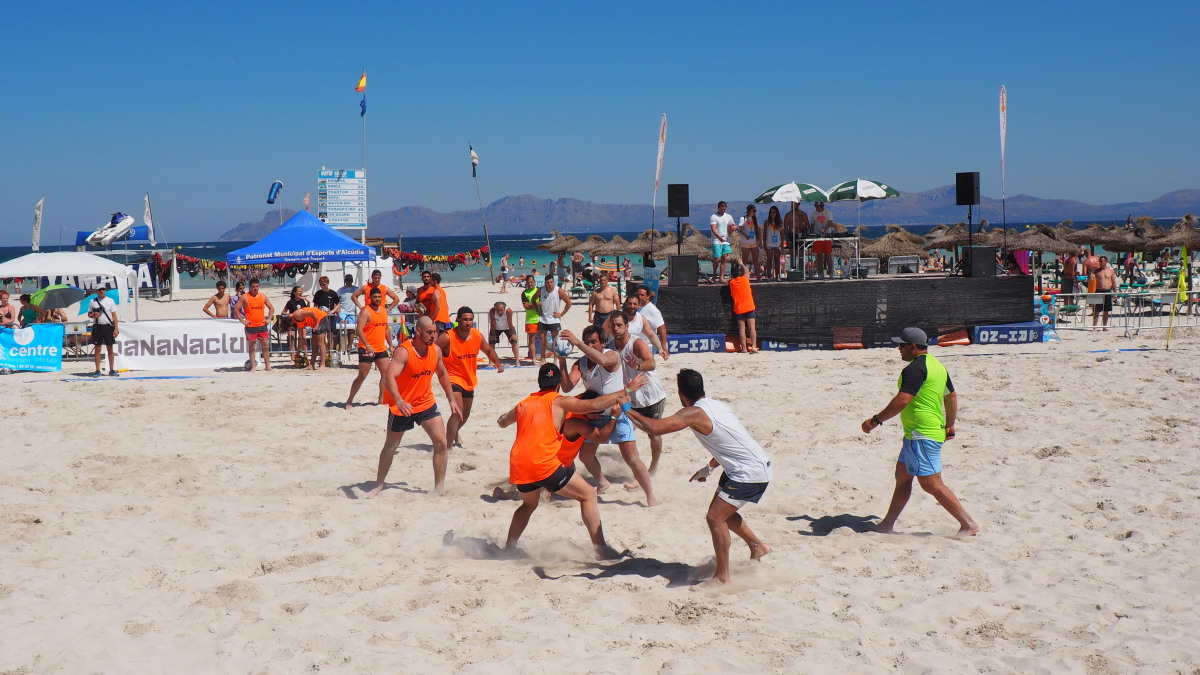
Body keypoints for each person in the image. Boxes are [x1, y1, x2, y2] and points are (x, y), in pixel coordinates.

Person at [627, 368, 772, 586]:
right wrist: (710, 467)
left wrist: (626, 408)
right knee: (726, 513)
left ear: (680, 394)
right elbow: (729, 442)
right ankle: (757, 547)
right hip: (742, 466)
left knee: (715, 518)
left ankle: (722, 577)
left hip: (748, 471)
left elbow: (654, 428)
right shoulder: (718, 405)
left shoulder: (693, 413)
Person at [497, 362, 646, 560]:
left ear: (539, 382)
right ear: (558, 384)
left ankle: (509, 549)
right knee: (588, 495)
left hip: (519, 463)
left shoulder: (524, 403)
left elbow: (503, 422)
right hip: (543, 462)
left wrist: (504, 418)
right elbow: (594, 405)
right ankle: (600, 549)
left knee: (527, 505)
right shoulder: (560, 401)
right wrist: (627, 389)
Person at [861, 327, 979, 538]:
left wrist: (876, 420)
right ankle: (887, 524)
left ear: (913, 347)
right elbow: (950, 396)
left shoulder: (914, 369)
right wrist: (950, 424)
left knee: (931, 484)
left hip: (921, 434)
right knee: (902, 476)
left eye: (901, 345)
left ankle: (968, 524)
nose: (899, 349)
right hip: (919, 433)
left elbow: (903, 399)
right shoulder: (938, 366)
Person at [557, 325, 658, 504]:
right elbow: (566, 387)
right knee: (586, 456)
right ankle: (602, 482)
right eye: (588, 342)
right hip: (595, 414)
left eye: (594, 342)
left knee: (631, 456)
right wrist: (562, 361)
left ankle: (650, 494)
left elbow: (603, 361)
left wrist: (578, 343)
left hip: (618, 411)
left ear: (603, 343)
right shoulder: (580, 363)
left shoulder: (611, 355)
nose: (591, 345)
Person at [366, 316, 461, 497]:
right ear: (418, 331)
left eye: (435, 332)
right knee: (391, 446)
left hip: (425, 403)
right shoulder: (404, 351)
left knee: (441, 442)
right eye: (429, 332)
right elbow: (389, 378)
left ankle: (438, 488)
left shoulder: (436, 350)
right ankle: (378, 484)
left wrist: (451, 399)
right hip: (403, 405)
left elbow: (442, 374)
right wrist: (400, 401)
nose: (433, 336)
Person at [607, 310, 670, 481]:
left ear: (627, 326)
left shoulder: (637, 342)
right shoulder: (610, 346)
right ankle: (638, 470)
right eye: (613, 325)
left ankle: (653, 466)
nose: (616, 328)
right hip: (630, 398)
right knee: (627, 434)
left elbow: (652, 363)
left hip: (651, 395)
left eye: (619, 325)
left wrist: (638, 365)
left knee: (654, 434)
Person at [437, 306, 505, 449]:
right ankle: (447, 448)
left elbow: (488, 349)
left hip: (469, 378)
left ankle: (454, 433)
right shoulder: (447, 337)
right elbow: (431, 351)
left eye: (470, 320)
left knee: (465, 415)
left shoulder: (476, 335)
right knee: (457, 413)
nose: (468, 323)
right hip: (452, 378)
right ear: (458, 320)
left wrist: (498, 363)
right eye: (465, 320)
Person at [346, 287, 394, 407]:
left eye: (379, 297)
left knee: (386, 375)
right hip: (366, 348)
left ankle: (381, 400)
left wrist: (391, 346)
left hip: (381, 348)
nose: (377, 299)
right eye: (375, 297)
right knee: (362, 376)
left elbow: (386, 329)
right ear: (369, 298)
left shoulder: (383, 310)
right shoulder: (365, 311)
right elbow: (359, 330)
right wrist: (367, 345)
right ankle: (349, 401)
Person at [233, 279, 274, 372]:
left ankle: (268, 366)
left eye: (257, 286)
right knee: (252, 347)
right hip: (251, 326)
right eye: (253, 287)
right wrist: (243, 321)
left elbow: (271, 308)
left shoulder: (263, 296)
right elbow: (236, 310)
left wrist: (269, 319)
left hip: (262, 325)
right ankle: (253, 367)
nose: (255, 289)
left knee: (265, 346)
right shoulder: (245, 297)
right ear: (250, 287)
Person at [536, 273, 572, 362]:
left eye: (551, 282)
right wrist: (537, 311)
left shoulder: (558, 290)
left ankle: (555, 359)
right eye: (547, 282)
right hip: (543, 318)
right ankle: (543, 358)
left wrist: (562, 313)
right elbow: (533, 300)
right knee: (542, 339)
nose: (549, 284)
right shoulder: (541, 290)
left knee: (555, 340)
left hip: (554, 319)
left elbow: (569, 303)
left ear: (554, 282)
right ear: (545, 283)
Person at [87, 287, 119, 377]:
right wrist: (94, 315)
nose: (102, 291)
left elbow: (114, 316)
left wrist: (116, 328)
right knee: (97, 348)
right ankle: (97, 370)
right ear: (96, 291)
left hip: (108, 326)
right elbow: (89, 314)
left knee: (110, 348)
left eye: (103, 289)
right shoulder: (93, 301)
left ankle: (111, 369)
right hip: (97, 326)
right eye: (100, 290)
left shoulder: (110, 300)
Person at [729, 262, 758, 353]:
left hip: (739, 308)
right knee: (752, 328)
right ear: (739, 273)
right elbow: (747, 271)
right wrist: (741, 263)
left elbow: (723, 280)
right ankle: (753, 347)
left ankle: (744, 348)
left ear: (732, 275)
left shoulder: (732, 283)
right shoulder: (745, 280)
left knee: (742, 329)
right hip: (749, 306)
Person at [635, 285, 669, 360]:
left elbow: (662, 328)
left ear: (648, 296)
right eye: (638, 295)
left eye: (642, 295)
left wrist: (663, 346)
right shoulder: (635, 307)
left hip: (648, 346)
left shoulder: (653, 310)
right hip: (636, 344)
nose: (640, 297)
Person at [1089, 256, 1117, 331]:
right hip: (1098, 291)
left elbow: (1113, 283)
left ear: (1105, 262)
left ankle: (1104, 327)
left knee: (1106, 310)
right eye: (1099, 261)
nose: (1100, 263)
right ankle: (1094, 327)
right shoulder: (1096, 271)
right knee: (1097, 311)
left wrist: (1115, 293)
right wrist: (1092, 271)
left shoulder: (1110, 271)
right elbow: (1090, 280)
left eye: (1101, 261)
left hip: (1107, 291)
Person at [282, 286, 309, 364]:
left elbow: (306, 310)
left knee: (303, 338)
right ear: (294, 293)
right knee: (292, 339)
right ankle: (292, 357)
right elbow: (283, 312)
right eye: (299, 291)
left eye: (301, 291)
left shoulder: (302, 301)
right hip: (292, 322)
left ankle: (305, 356)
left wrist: (308, 302)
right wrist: (291, 315)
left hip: (301, 322)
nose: (300, 293)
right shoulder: (290, 302)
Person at [710, 201, 735, 282]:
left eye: (724, 209)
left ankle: (721, 277)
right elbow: (713, 228)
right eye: (721, 209)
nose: (723, 211)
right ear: (718, 208)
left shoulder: (728, 216)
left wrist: (734, 228)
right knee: (717, 259)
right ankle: (714, 274)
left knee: (725, 258)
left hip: (726, 241)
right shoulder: (714, 216)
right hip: (717, 240)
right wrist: (719, 237)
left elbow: (732, 226)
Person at [811, 202, 834, 279]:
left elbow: (831, 223)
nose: (816, 207)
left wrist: (825, 228)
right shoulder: (813, 214)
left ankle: (831, 273)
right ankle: (820, 273)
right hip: (817, 236)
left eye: (817, 206)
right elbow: (812, 224)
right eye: (815, 206)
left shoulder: (828, 213)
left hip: (827, 236)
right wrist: (811, 234)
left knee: (828, 255)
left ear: (821, 206)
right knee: (819, 255)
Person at [520, 274, 540, 362]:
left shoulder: (539, 291)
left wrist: (532, 305)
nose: (530, 284)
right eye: (528, 282)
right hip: (530, 319)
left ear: (534, 282)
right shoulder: (524, 293)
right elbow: (526, 306)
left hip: (540, 318)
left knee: (543, 338)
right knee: (531, 340)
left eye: (531, 282)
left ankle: (542, 356)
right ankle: (534, 358)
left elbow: (542, 303)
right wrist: (535, 304)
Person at [783, 203, 810, 271]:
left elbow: (808, 226)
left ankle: (801, 271)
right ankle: (793, 271)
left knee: (801, 255)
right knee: (792, 255)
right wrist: (787, 239)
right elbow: (785, 227)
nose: (792, 205)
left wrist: (803, 226)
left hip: (800, 235)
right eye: (791, 204)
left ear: (798, 204)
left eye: (794, 204)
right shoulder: (788, 215)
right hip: (791, 235)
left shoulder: (803, 214)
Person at [762, 205, 784, 281]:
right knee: (769, 260)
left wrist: (782, 244)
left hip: (777, 243)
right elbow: (764, 233)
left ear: (776, 213)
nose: (772, 214)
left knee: (777, 260)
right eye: (771, 212)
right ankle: (769, 276)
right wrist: (764, 243)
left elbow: (782, 234)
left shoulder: (780, 222)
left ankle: (777, 276)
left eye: (774, 212)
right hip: (769, 243)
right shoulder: (766, 222)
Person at [739, 205, 760, 277]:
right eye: (753, 211)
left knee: (756, 260)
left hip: (754, 242)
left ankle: (758, 276)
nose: (754, 212)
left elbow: (757, 230)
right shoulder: (743, 218)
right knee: (744, 260)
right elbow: (740, 229)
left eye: (755, 211)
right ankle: (742, 276)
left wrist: (759, 240)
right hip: (745, 242)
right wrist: (745, 235)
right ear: (749, 210)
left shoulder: (755, 219)